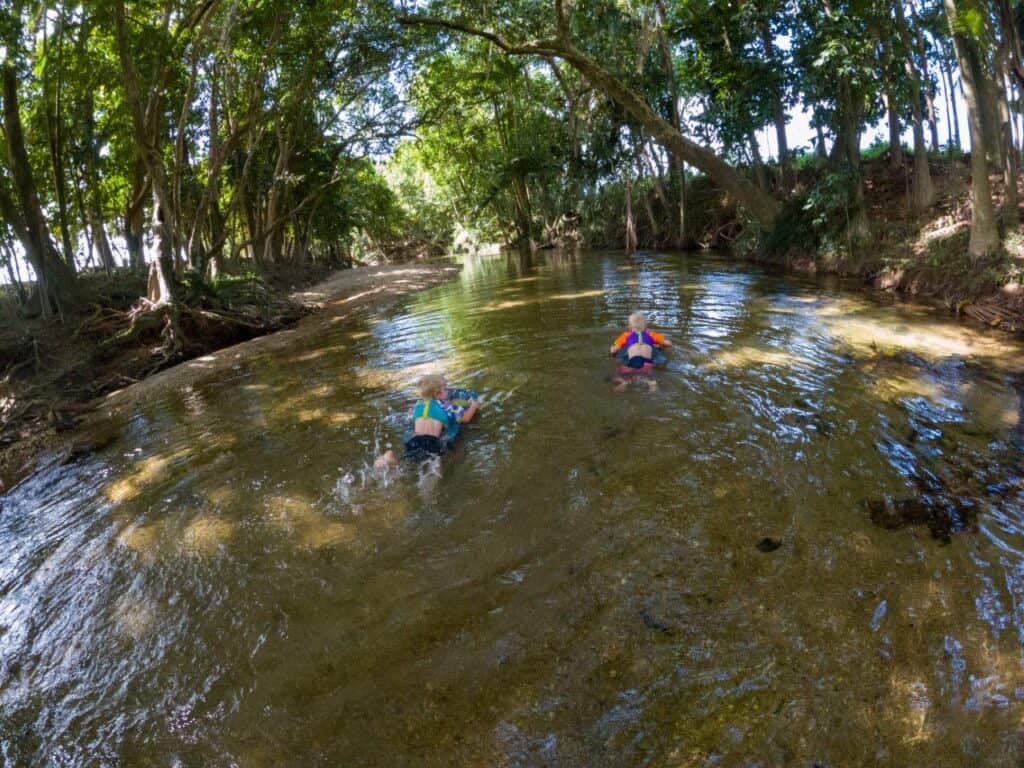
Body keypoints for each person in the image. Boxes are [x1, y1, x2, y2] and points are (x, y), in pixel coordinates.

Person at [374, 374, 480, 468]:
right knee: (433, 467)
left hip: (413, 440)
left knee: (408, 462)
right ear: (438, 394)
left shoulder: (419, 406)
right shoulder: (446, 405)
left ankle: (389, 456)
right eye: (445, 389)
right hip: (431, 441)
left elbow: (410, 413)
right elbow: (466, 418)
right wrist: (474, 405)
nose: (448, 391)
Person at [609, 311, 672, 392]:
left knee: (616, 375)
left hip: (632, 364)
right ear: (646, 326)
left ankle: (623, 382)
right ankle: (651, 383)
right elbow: (668, 344)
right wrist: (662, 344)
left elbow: (613, 350)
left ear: (629, 326)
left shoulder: (626, 335)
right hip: (647, 364)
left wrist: (612, 348)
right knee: (646, 375)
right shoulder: (651, 334)